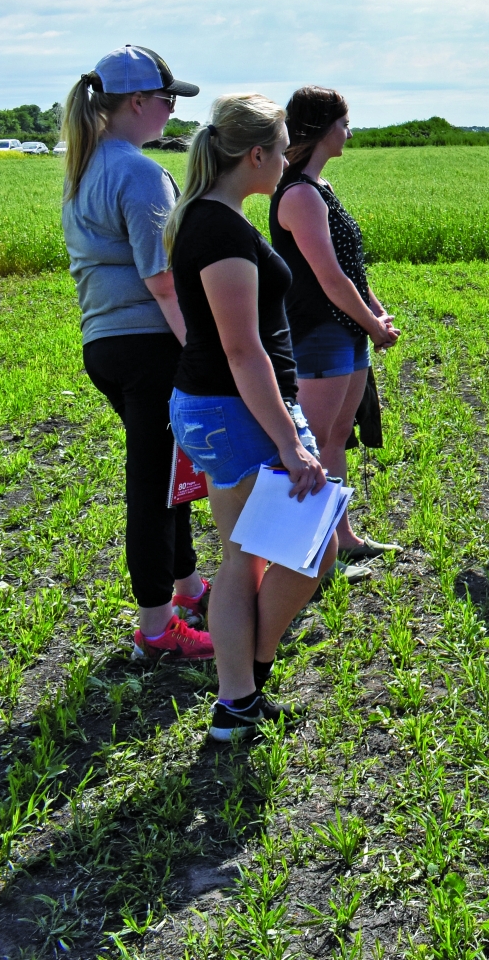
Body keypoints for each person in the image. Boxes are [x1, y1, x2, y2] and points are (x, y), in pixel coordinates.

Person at [165, 93, 336, 742]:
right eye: (284, 143)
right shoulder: (223, 230)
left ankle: (238, 700)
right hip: (237, 410)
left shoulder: (213, 218)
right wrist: (292, 443)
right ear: (256, 153)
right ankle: (250, 677)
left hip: (218, 408)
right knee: (309, 545)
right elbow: (243, 350)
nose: (291, 155)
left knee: (246, 556)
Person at [60, 46, 214, 662]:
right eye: (168, 98)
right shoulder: (139, 172)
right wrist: (203, 353)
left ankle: (188, 587)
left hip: (105, 342)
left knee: (172, 474)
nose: (173, 110)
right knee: (153, 485)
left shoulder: (87, 164)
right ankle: (156, 630)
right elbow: (164, 280)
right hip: (149, 345)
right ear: (137, 103)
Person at [269, 86, 402, 562]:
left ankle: (340, 538)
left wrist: (375, 311)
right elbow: (327, 278)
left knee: (334, 439)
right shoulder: (300, 195)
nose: (349, 131)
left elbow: (350, 268)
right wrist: (371, 324)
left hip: (344, 328)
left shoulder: (320, 188)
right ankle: (303, 553)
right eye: (344, 123)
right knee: (313, 445)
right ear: (325, 129)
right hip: (318, 332)